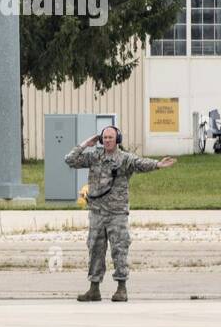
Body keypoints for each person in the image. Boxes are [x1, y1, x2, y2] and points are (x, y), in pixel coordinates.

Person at [65, 126, 175, 302]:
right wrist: (86, 144)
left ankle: (121, 288)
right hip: (97, 212)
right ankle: (94, 289)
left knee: (119, 250)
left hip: (117, 213)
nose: (108, 140)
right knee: (95, 249)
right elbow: (70, 160)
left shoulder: (124, 159)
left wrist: (157, 165)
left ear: (118, 139)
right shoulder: (94, 157)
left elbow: (140, 163)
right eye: (105, 137)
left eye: (111, 137)